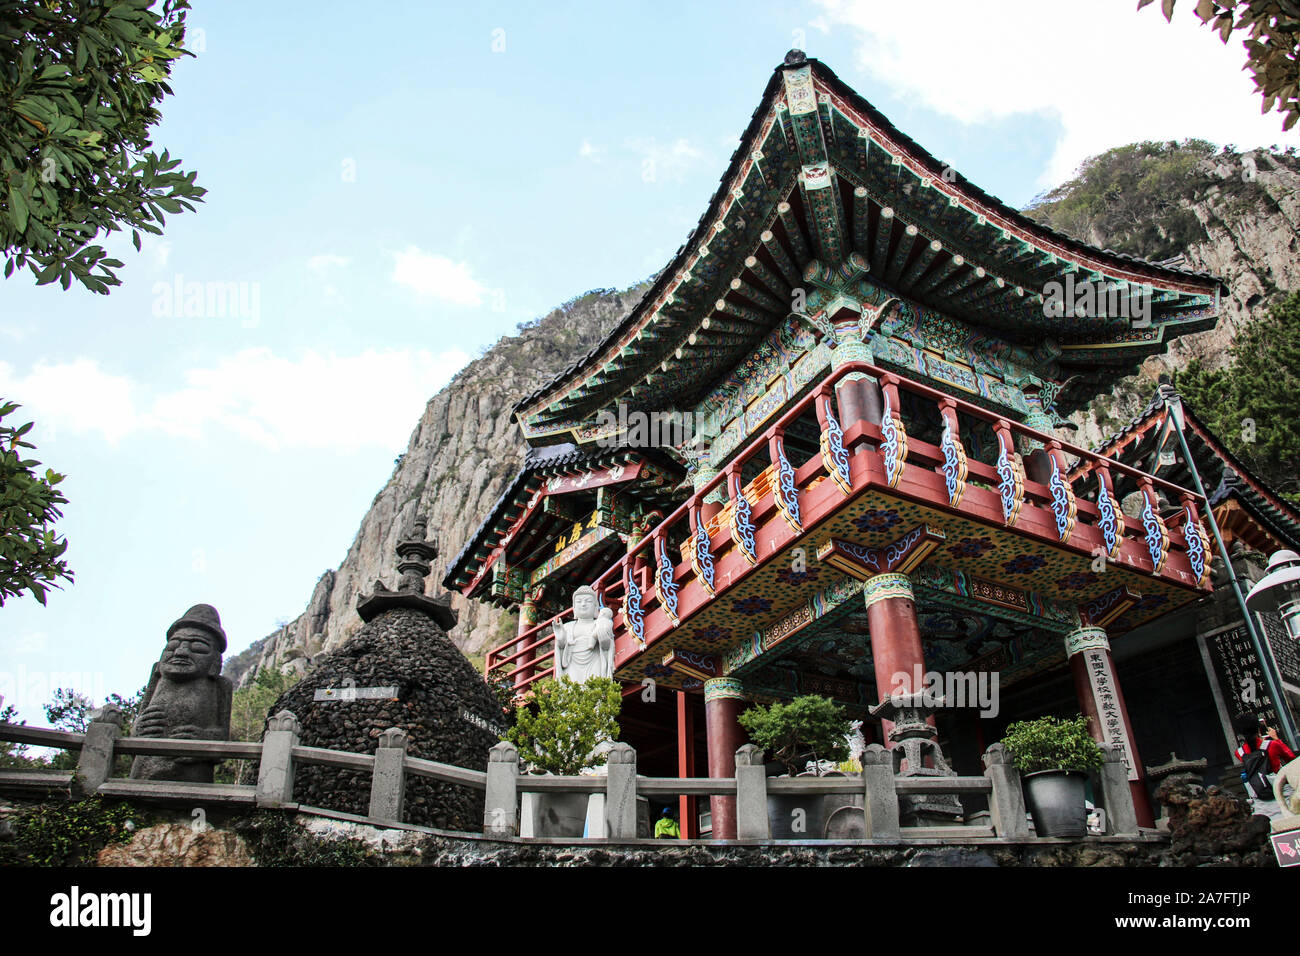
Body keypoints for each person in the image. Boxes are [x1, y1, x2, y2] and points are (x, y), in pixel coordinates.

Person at [1233, 714, 1296, 822]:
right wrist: (1276, 738)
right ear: (1258, 728)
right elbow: (1292, 760)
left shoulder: (1239, 753)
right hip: (1283, 794)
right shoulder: (1272, 745)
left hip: (1261, 801)